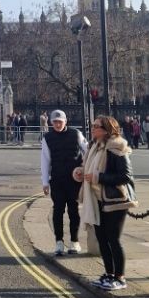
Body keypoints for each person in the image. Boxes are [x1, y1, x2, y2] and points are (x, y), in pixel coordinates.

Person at [74, 115, 136, 290]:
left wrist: (97, 177)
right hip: (97, 199)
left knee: (113, 239)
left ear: (107, 130)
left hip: (115, 200)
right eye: (93, 126)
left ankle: (120, 277)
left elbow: (125, 176)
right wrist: (80, 172)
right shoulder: (95, 146)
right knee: (102, 238)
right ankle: (109, 275)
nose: (93, 129)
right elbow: (89, 168)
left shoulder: (116, 147)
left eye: (96, 126)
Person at [40, 109, 88, 255]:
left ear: (65, 121)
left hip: (74, 180)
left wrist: (85, 169)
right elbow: (45, 161)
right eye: (55, 122)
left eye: (60, 121)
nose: (57, 124)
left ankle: (74, 242)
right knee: (58, 210)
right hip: (57, 180)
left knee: (73, 211)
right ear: (51, 122)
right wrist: (45, 182)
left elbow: (88, 151)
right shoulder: (47, 138)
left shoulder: (76, 134)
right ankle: (59, 243)